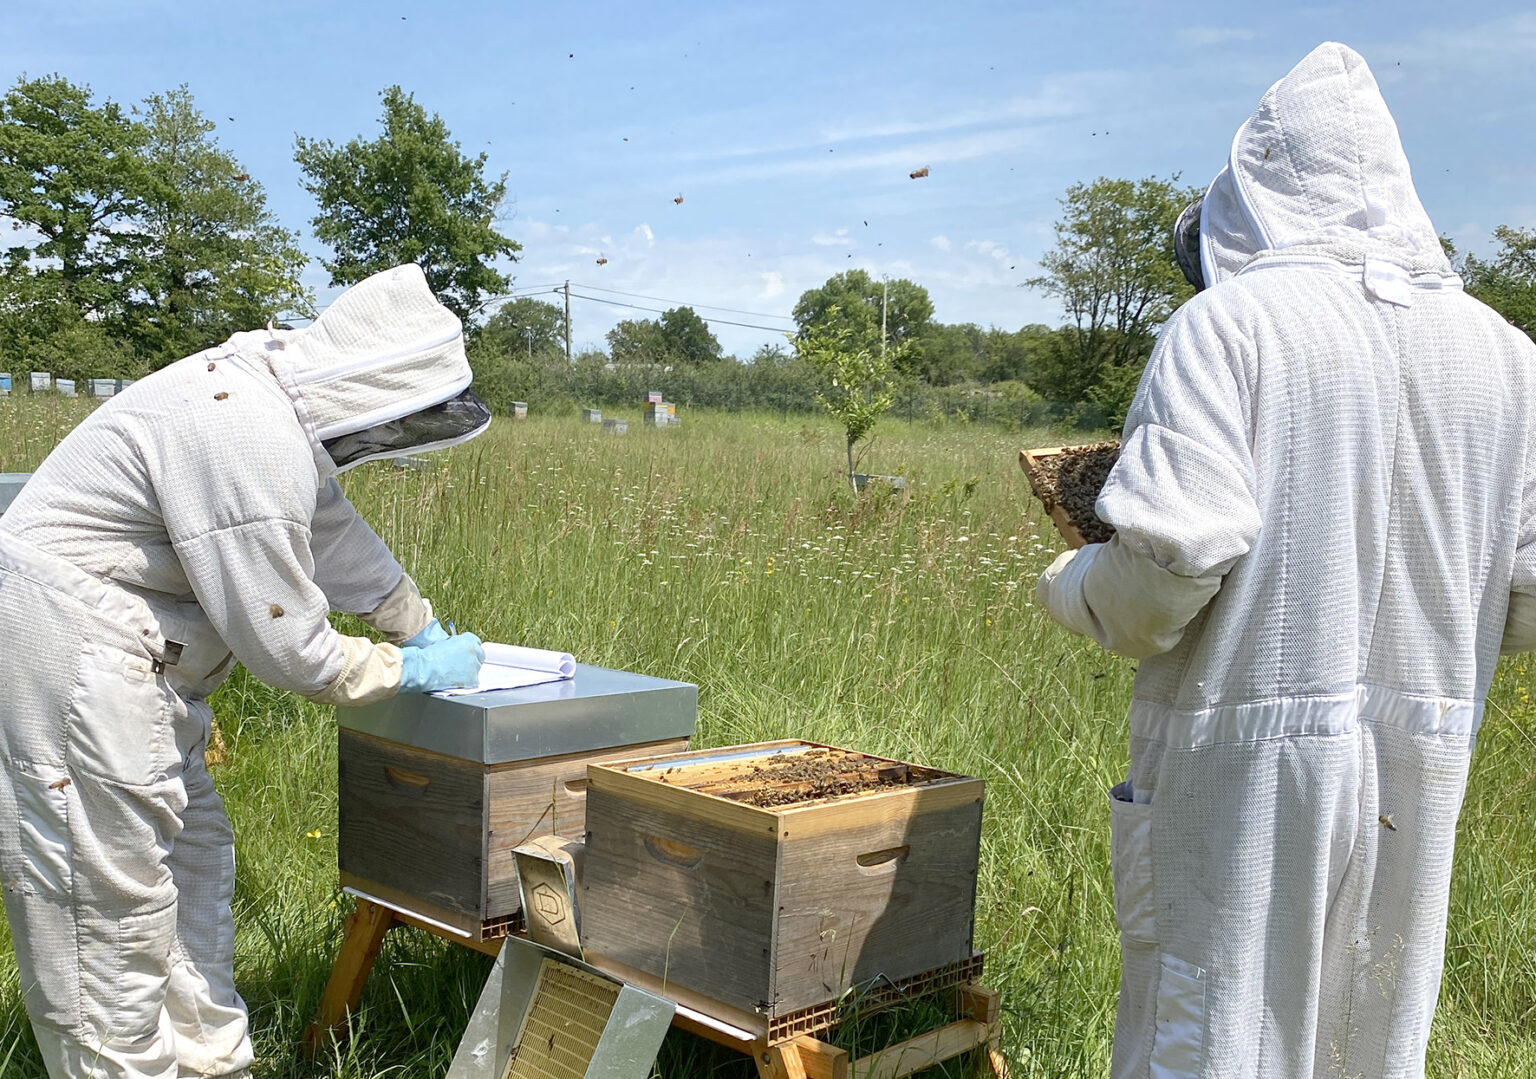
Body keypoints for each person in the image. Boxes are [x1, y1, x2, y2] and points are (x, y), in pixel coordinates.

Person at [1037, 43, 1536, 1079]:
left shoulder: (1226, 328)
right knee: (1370, 1035)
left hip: (1239, 773)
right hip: (1420, 762)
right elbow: (1527, 601)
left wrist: (1072, 583)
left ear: (1257, 193)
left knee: (1214, 1039)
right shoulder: (1509, 356)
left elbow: (1166, 577)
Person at [0, 263, 489, 1078]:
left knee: (194, 863)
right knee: (105, 909)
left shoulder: (276, 406)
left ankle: (209, 1064)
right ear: (375, 386)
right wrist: (404, 668)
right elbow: (290, 647)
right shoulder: (243, 429)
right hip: (77, 663)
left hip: (142, 668)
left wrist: (418, 618)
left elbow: (332, 534)